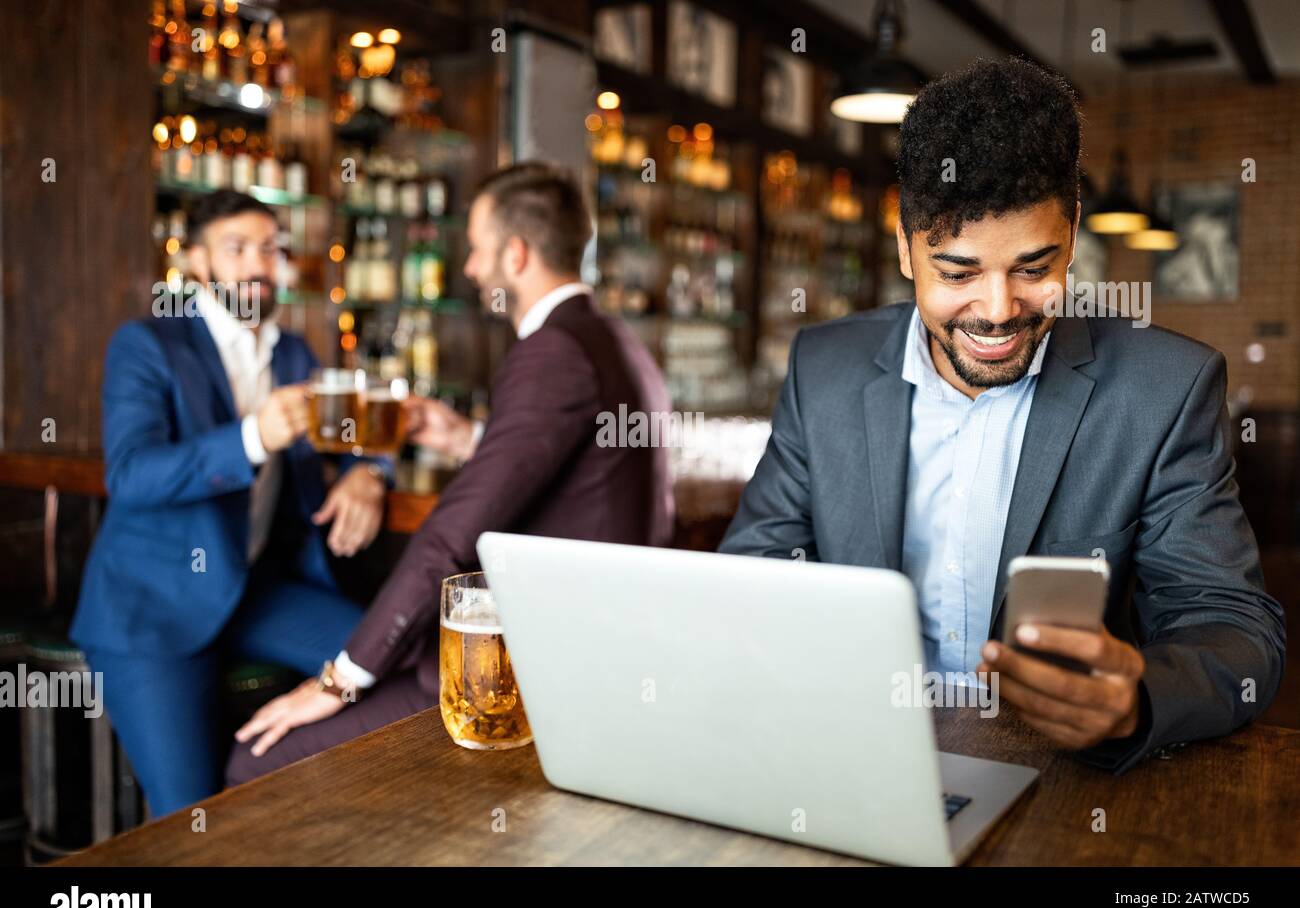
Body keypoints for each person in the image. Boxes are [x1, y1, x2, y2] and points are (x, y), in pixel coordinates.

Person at [720, 58, 1284, 773]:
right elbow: (754, 573)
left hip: (1057, 782)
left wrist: (1137, 698)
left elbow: (1235, 630)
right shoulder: (824, 370)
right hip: (851, 762)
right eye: (957, 273)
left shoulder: (1165, 390)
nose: (997, 310)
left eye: (1032, 268)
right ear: (903, 246)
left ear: (1073, 236)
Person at [226, 162, 674, 781]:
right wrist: (472, 440)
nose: (467, 268)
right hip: (606, 648)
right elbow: (581, 471)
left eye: (476, 249)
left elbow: (450, 536)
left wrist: (338, 681)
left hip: (531, 672)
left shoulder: (551, 352)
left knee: (257, 764)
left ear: (515, 255)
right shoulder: (613, 339)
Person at [70, 190, 387, 815]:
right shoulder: (146, 345)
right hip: (154, 605)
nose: (257, 265)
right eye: (236, 249)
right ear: (198, 263)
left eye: (270, 250)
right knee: (191, 816)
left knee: (388, 663)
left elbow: (359, 429)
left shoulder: (295, 353)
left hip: (258, 591)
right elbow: (131, 475)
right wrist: (251, 438)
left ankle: (299, 810)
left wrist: (368, 474)